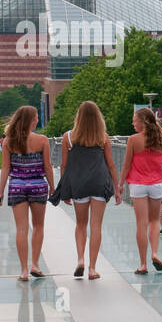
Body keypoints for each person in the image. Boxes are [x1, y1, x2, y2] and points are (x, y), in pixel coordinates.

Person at [50, 100, 120, 280]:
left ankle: (80, 259)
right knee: (96, 226)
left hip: (79, 184)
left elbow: (64, 166)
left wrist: (65, 189)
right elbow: (111, 165)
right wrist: (117, 189)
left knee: (81, 224)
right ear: (98, 118)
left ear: (78, 117)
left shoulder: (68, 137)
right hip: (99, 183)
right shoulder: (103, 137)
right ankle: (92, 268)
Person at [0, 105, 55, 281]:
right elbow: (48, 167)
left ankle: (23, 270)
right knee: (38, 226)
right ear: (30, 120)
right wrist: (52, 187)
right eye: (35, 118)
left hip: (17, 187)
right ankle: (35, 264)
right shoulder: (42, 140)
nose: (37, 120)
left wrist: (0, 191)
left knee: (21, 228)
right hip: (38, 186)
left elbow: (6, 166)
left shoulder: (8, 141)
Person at [117, 107, 162, 275]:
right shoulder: (161, 139)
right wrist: (161, 178)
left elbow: (127, 165)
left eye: (135, 120)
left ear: (142, 122)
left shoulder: (133, 140)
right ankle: (155, 253)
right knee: (154, 222)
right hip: (157, 184)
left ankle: (143, 264)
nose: (132, 123)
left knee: (141, 223)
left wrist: (120, 185)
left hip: (138, 184)